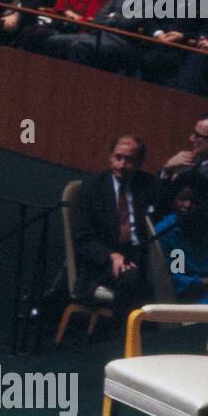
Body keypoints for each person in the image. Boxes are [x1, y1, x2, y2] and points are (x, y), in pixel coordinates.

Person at [70, 134, 159, 320]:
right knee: (132, 279)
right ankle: (122, 335)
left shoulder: (148, 184)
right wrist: (111, 255)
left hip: (140, 254)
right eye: (118, 158)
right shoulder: (92, 187)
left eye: (129, 160)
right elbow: (82, 238)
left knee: (177, 271)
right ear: (110, 157)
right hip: (103, 258)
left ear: (140, 162)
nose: (121, 165)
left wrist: (167, 170)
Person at [153, 171, 208, 304]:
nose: (187, 205)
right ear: (173, 200)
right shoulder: (168, 231)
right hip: (188, 294)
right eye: (182, 199)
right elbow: (178, 276)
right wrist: (207, 281)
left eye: (195, 201)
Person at [158, 115, 208, 210]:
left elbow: (169, 201)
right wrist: (167, 170)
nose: (190, 138)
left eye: (197, 136)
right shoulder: (197, 159)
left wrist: (171, 175)